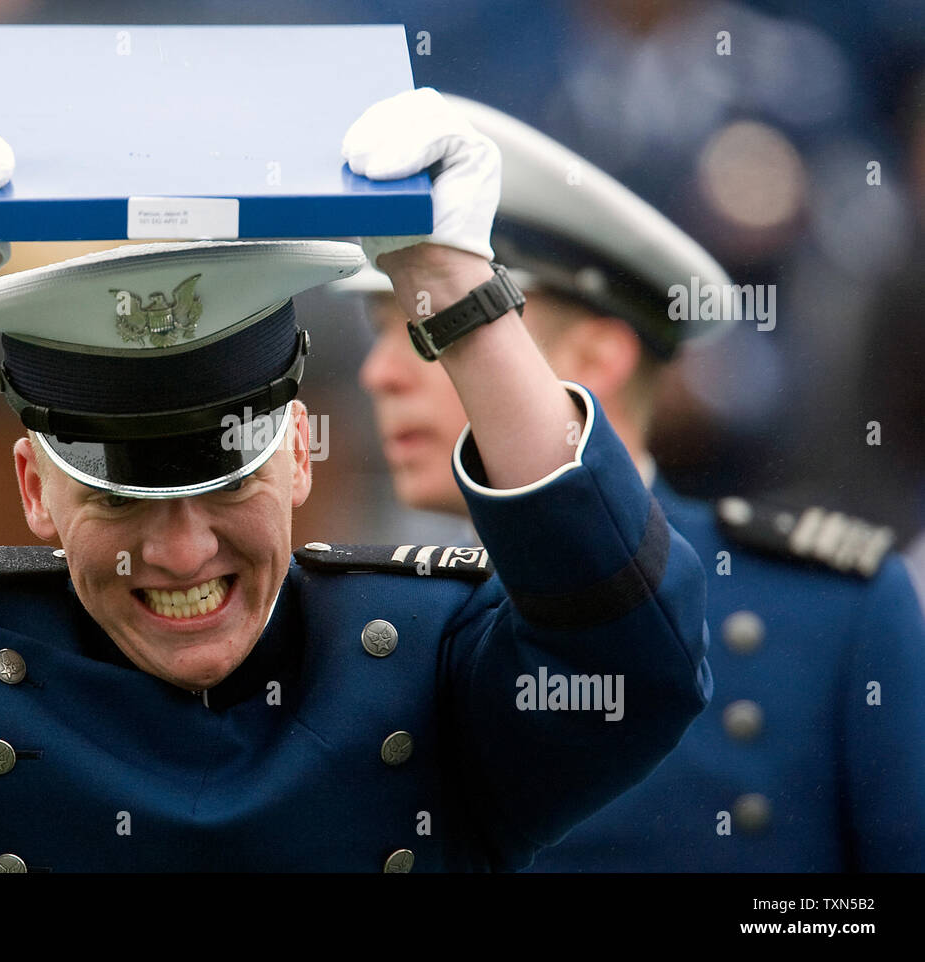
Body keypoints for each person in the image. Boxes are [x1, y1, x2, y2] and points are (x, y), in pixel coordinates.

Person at [0, 91, 710, 872]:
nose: (181, 550)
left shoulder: (430, 671)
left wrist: (453, 281)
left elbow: (635, 661)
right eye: (117, 498)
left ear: (301, 453)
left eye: (229, 484)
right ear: (34, 489)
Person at [349, 95, 925, 871]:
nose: (377, 374)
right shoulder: (363, 618)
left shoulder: (832, 608)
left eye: (429, 330)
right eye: (379, 334)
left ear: (594, 361)